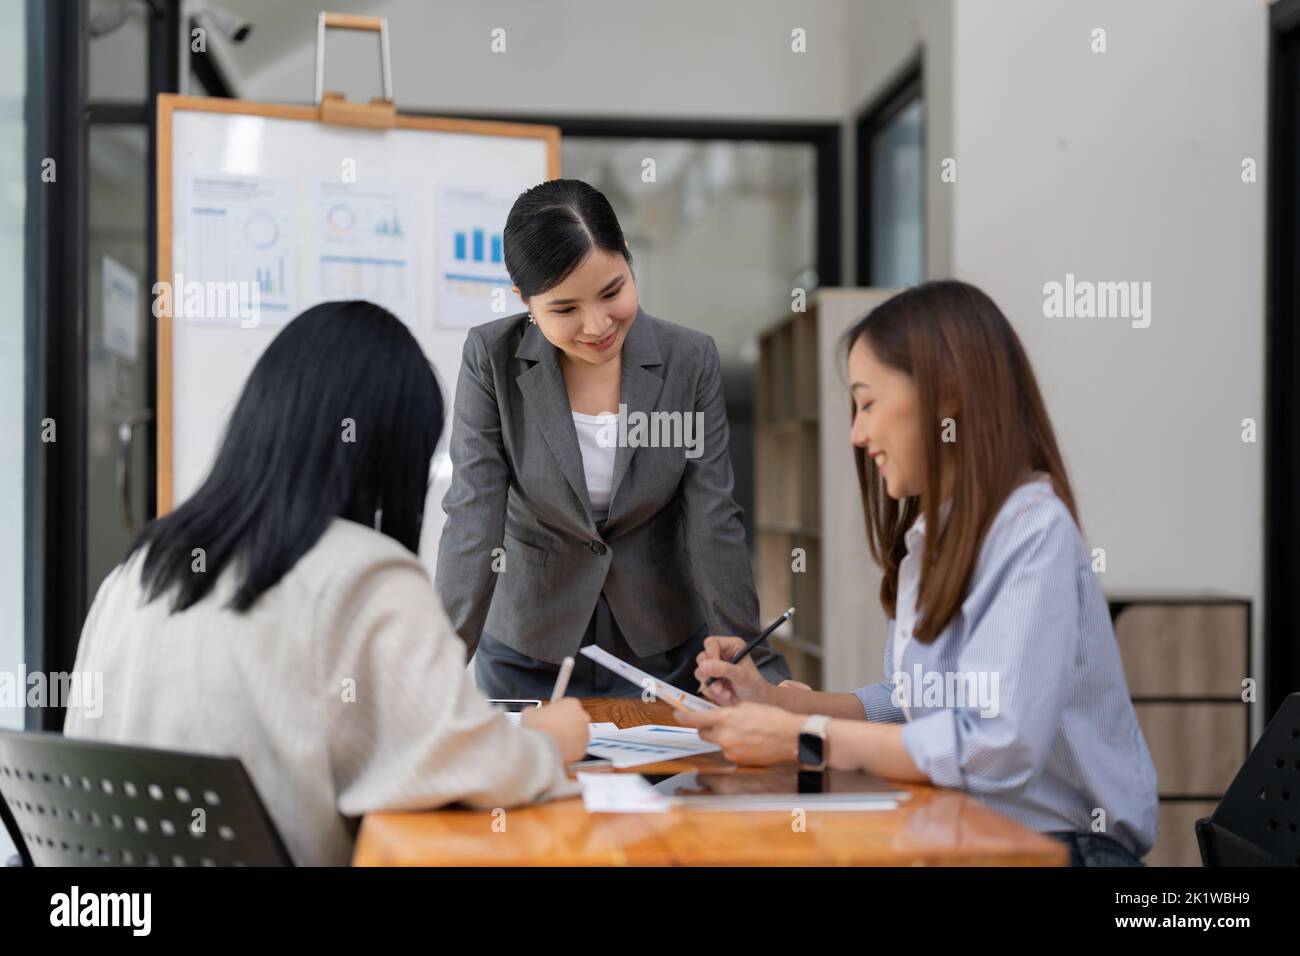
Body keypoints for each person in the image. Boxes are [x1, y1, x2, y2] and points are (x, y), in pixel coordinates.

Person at [64, 300, 589, 866]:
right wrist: (546, 742)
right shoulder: (365, 574)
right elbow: (463, 769)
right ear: (392, 457)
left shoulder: (138, 571)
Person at [676, 280, 1158, 867]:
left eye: (868, 402)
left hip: (1059, 852)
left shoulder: (1034, 530)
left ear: (947, 395)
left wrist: (807, 742)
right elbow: (921, 707)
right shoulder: (936, 534)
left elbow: (995, 745)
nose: (857, 433)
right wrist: (781, 704)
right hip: (963, 832)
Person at [435, 178, 790, 699]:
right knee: (538, 781)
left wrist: (754, 663)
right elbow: (473, 514)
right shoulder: (492, 358)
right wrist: (434, 671)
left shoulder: (687, 361)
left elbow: (712, 518)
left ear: (628, 261)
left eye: (612, 292)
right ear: (525, 302)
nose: (597, 325)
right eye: (565, 309)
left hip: (661, 643)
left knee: (663, 781)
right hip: (528, 641)